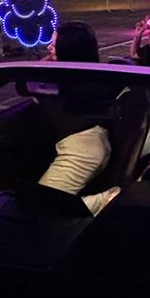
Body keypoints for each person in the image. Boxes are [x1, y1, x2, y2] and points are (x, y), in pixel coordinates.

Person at [38, 21, 120, 216]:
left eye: (55, 43)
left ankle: (105, 201)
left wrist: (41, 70)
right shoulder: (86, 76)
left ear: (69, 49)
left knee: (41, 207)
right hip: (85, 143)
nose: (49, 47)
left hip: (82, 150)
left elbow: (37, 92)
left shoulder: (76, 85)